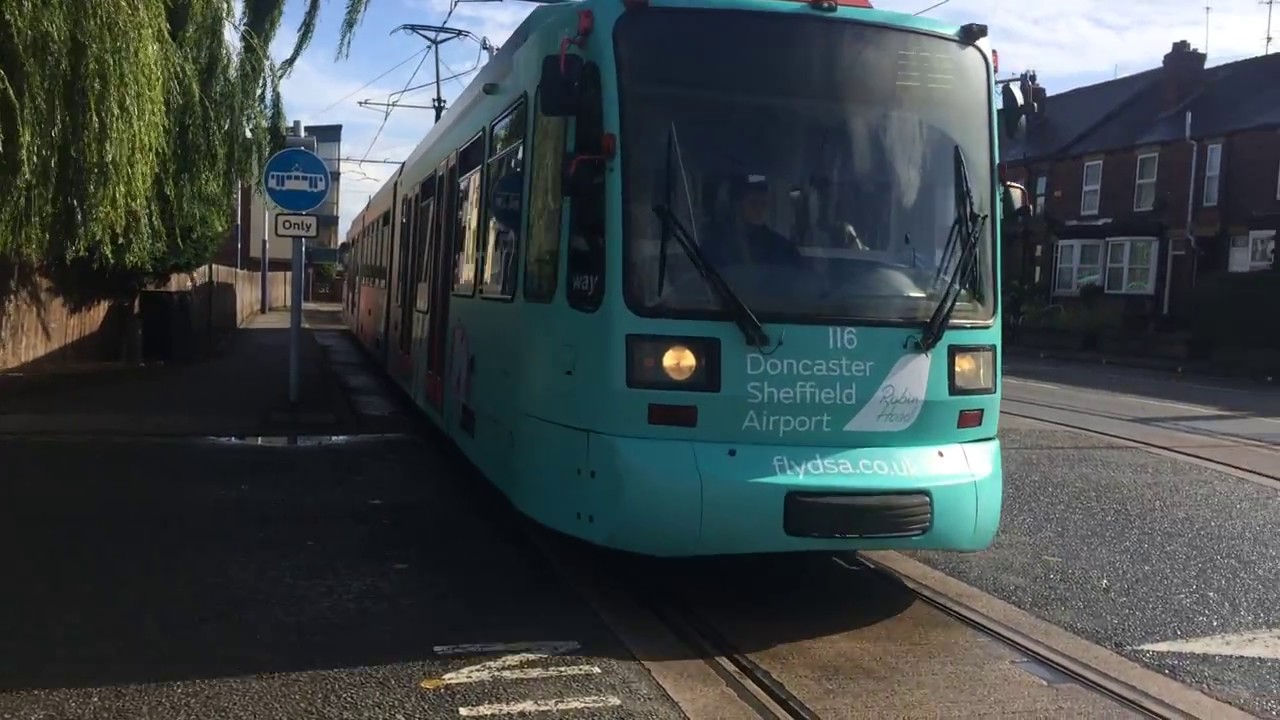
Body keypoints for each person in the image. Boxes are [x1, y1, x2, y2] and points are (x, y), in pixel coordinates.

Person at [702, 174, 801, 267]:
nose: (759, 209)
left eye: (764, 204)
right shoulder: (717, 245)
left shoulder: (782, 247)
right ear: (739, 205)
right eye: (753, 203)